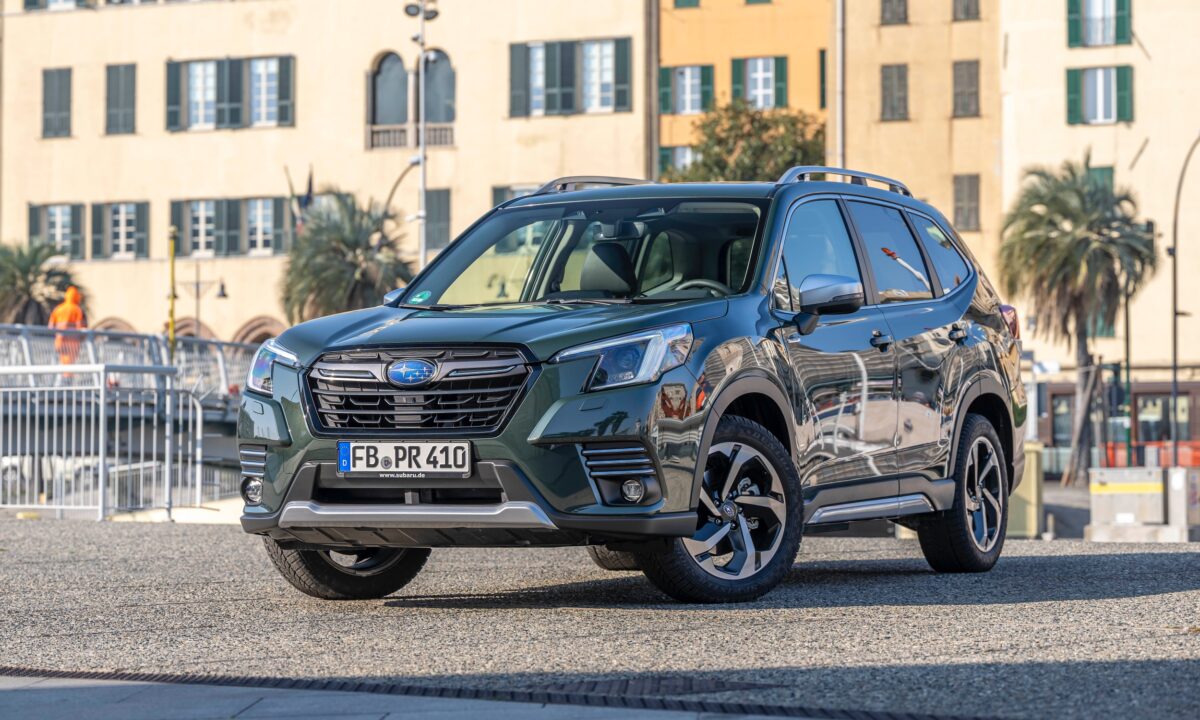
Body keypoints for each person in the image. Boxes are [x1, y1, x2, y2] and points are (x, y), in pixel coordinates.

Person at [48, 286, 87, 365]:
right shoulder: (76, 309)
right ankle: (67, 377)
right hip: (72, 343)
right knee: (70, 365)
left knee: (62, 363)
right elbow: (80, 328)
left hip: (59, 342)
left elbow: (50, 327)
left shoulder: (58, 309)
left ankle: (64, 376)